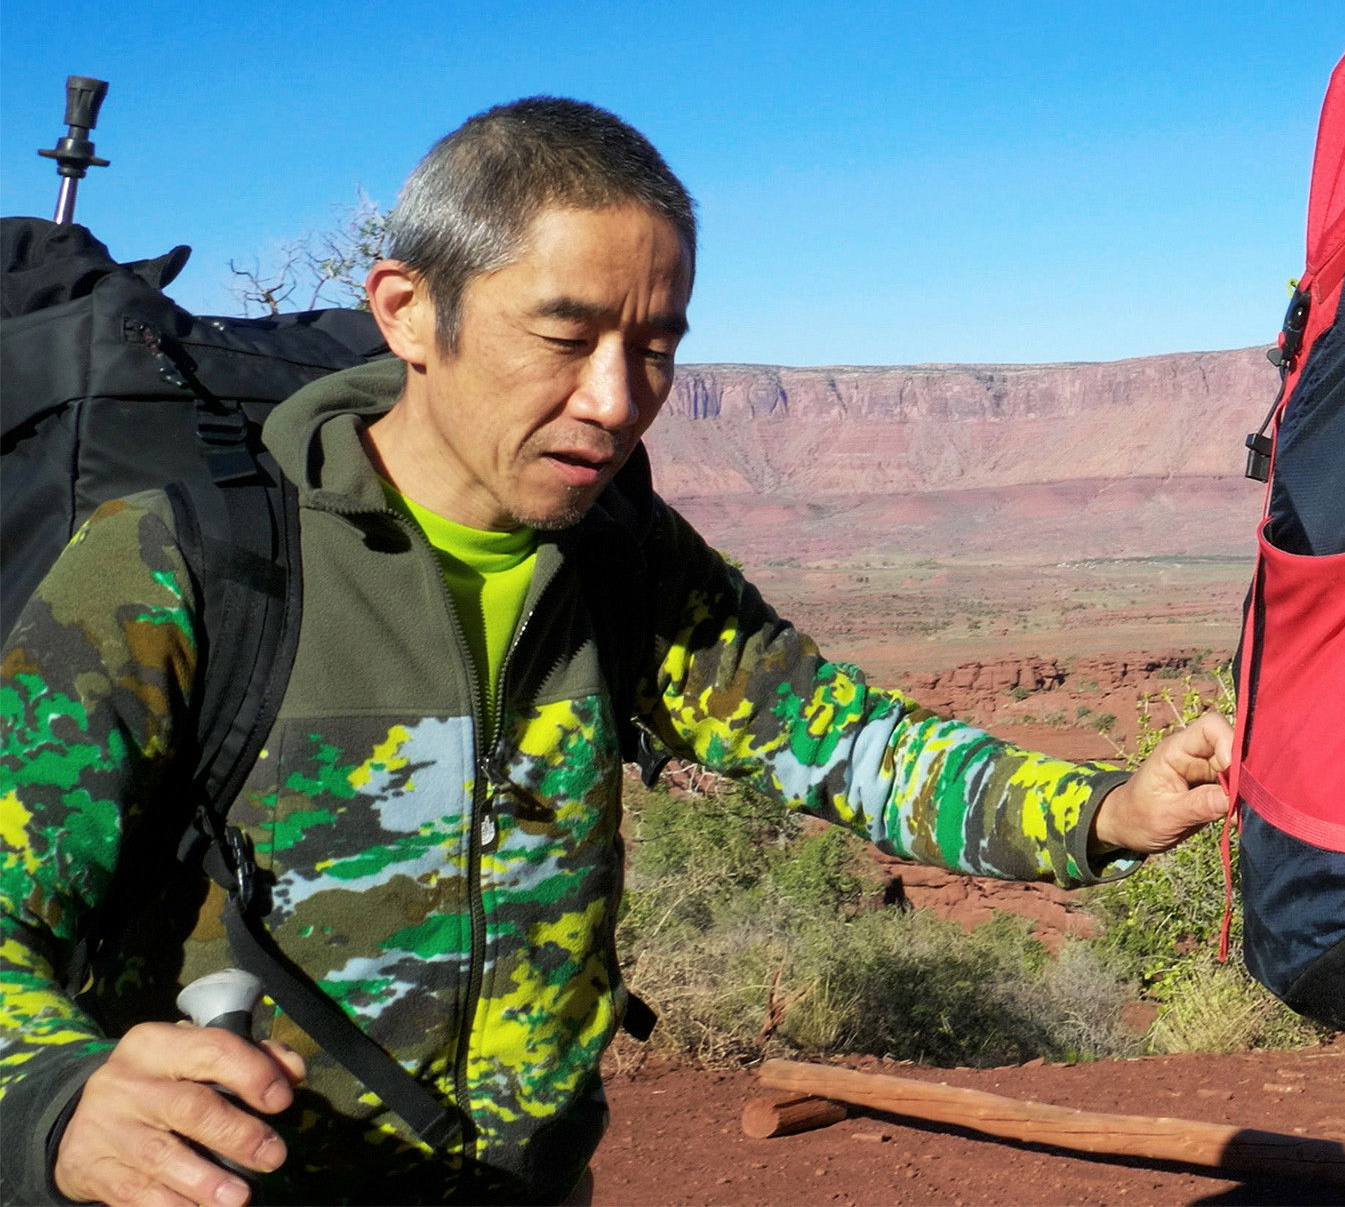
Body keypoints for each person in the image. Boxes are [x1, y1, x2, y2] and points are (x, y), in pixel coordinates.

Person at [0, 98, 1234, 1206]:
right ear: (408, 313)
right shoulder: (185, 561)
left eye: (656, 344)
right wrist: (61, 1103)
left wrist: (1106, 811)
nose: (616, 397)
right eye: (566, 335)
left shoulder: (617, 553)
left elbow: (849, 741)